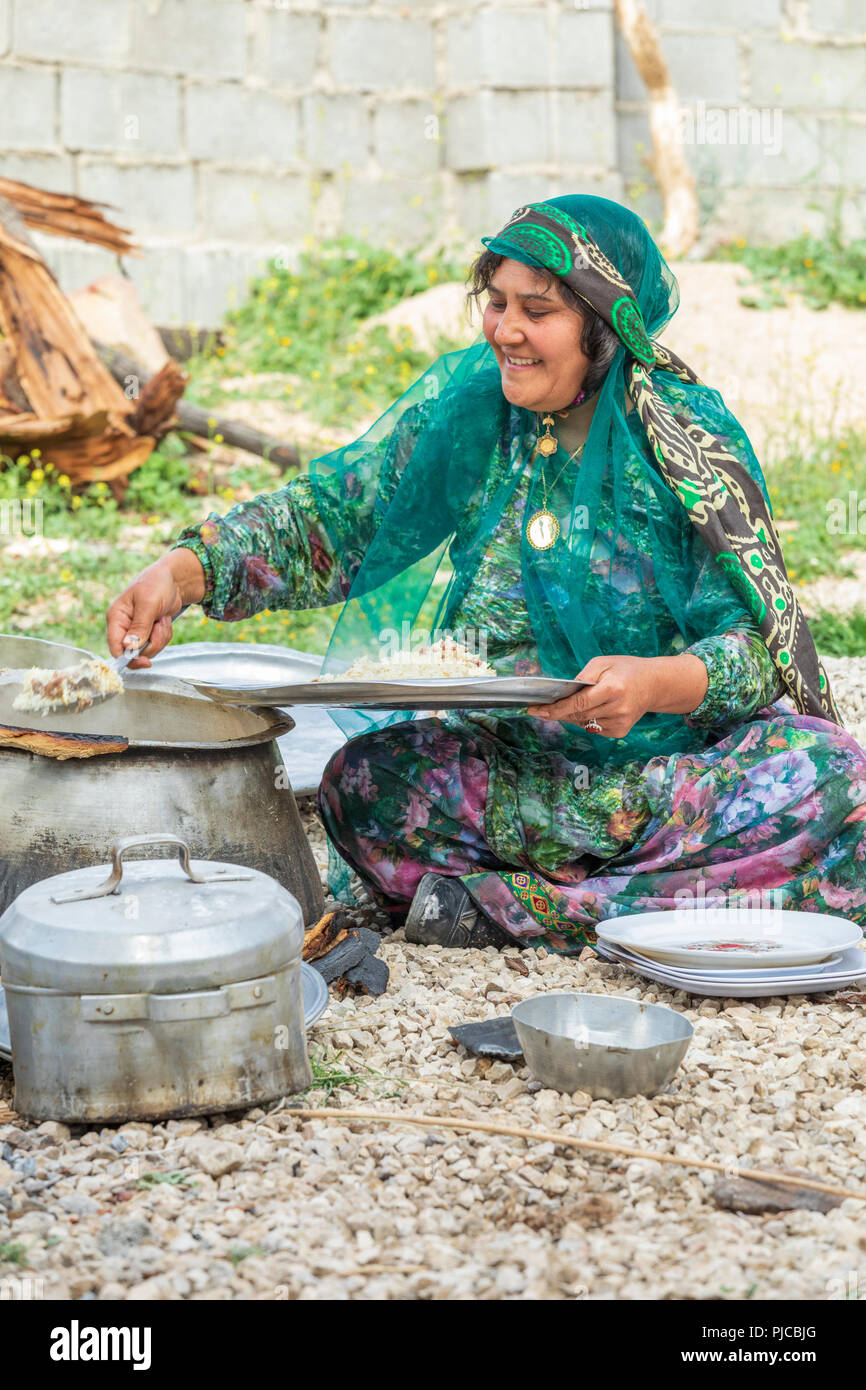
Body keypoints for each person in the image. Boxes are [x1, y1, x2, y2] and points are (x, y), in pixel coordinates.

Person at [107, 196, 866, 954]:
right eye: (496, 302)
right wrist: (185, 572)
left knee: (826, 774)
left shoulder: (684, 439)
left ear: (605, 329)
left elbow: (760, 646)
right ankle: (650, 908)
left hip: (669, 773)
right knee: (365, 784)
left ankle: (512, 909)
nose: (505, 330)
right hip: (516, 770)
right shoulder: (475, 412)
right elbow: (338, 517)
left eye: (537, 310)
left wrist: (653, 684)